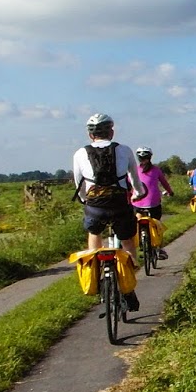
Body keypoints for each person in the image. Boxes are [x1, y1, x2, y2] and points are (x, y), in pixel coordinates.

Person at [72, 113, 143, 312]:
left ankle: (95, 275)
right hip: (120, 203)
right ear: (111, 131)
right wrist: (139, 192)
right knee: (128, 241)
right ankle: (128, 288)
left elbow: (79, 185)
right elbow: (135, 180)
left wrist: (87, 202)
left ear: (90, 135)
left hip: (95, 205)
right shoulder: (125, 150)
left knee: (94, 233)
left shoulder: (79, 153)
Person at [129, 147, 173, 258]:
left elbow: (128, 185)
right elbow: (164, 183)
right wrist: (170, 192)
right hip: (154, 203)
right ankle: (160, 248)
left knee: (138, 222)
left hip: (137, 203)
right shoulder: (156, 170)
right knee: (157, 224)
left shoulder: (133, 170)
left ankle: (141, 244)